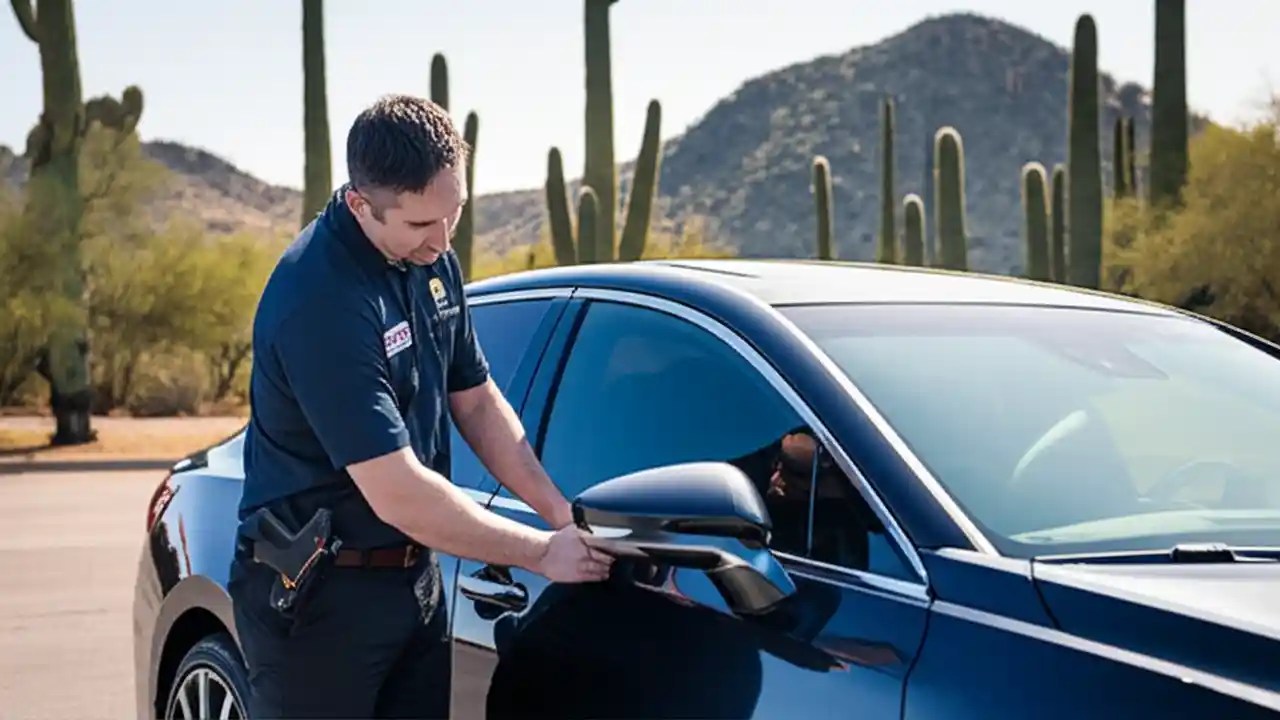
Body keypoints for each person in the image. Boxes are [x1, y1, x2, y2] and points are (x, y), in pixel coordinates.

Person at [227, 93, 614, 720]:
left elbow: (479, 402)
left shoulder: (432, 261)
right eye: (417, 225)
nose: (440, 241)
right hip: (320, 601)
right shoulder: (321, 301)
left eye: (452, 214)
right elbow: (398, 491)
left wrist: (561, 516)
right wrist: (541, 553)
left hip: (415, 580)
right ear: (359, 204)